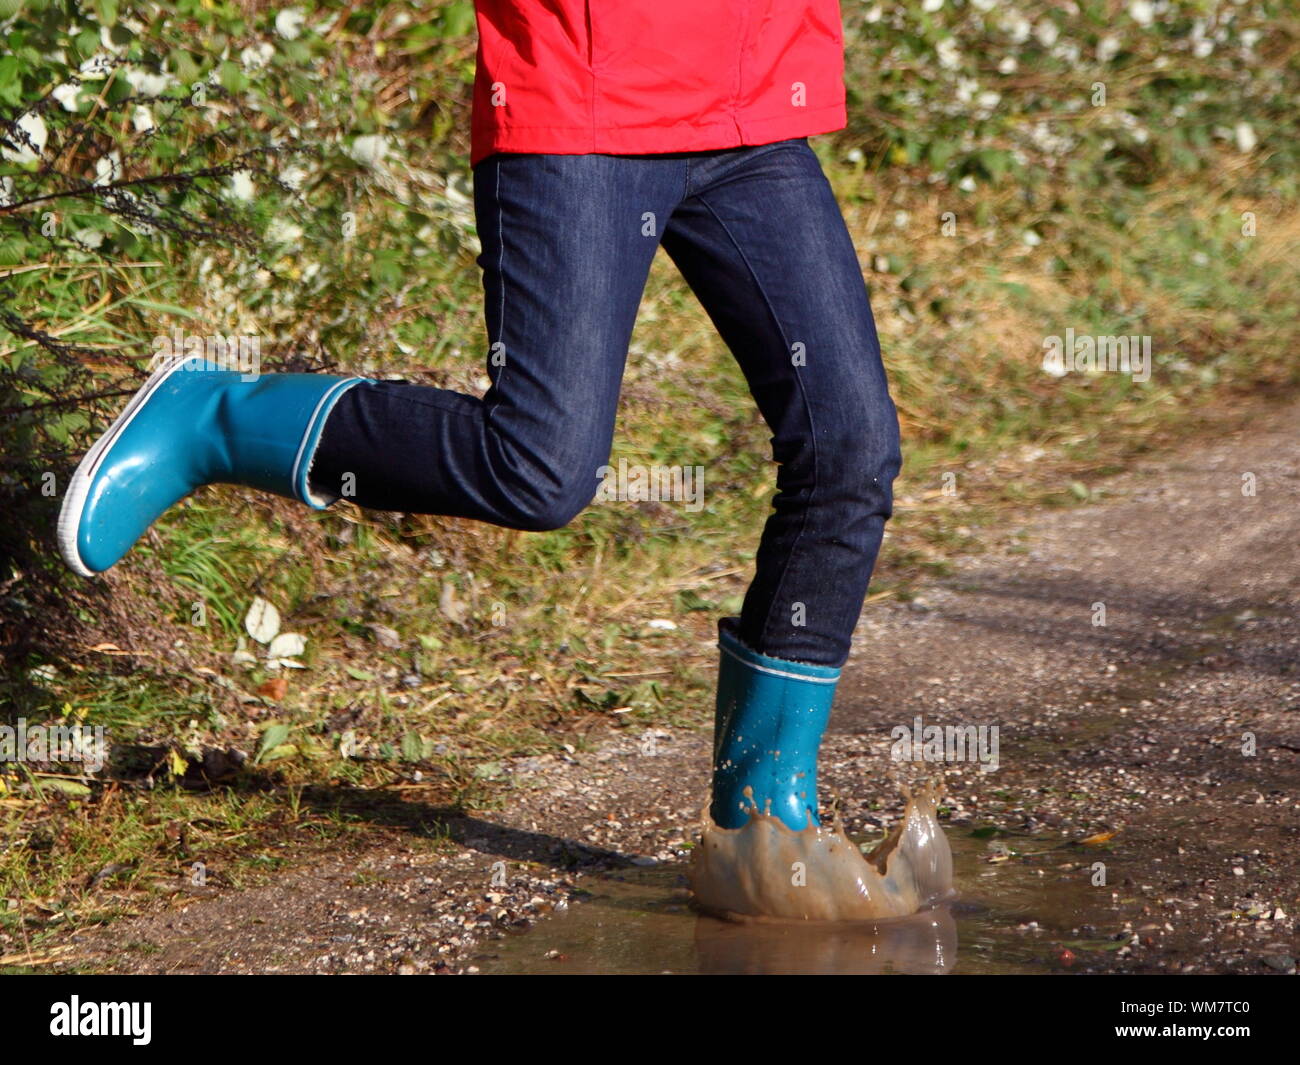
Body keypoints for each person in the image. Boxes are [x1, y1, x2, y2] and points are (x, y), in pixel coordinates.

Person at [58, 0, 901, 835]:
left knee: (851, 452)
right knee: (538, 470)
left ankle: (762, 819)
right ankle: (216, 418)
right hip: (583, 102)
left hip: (754, 104)